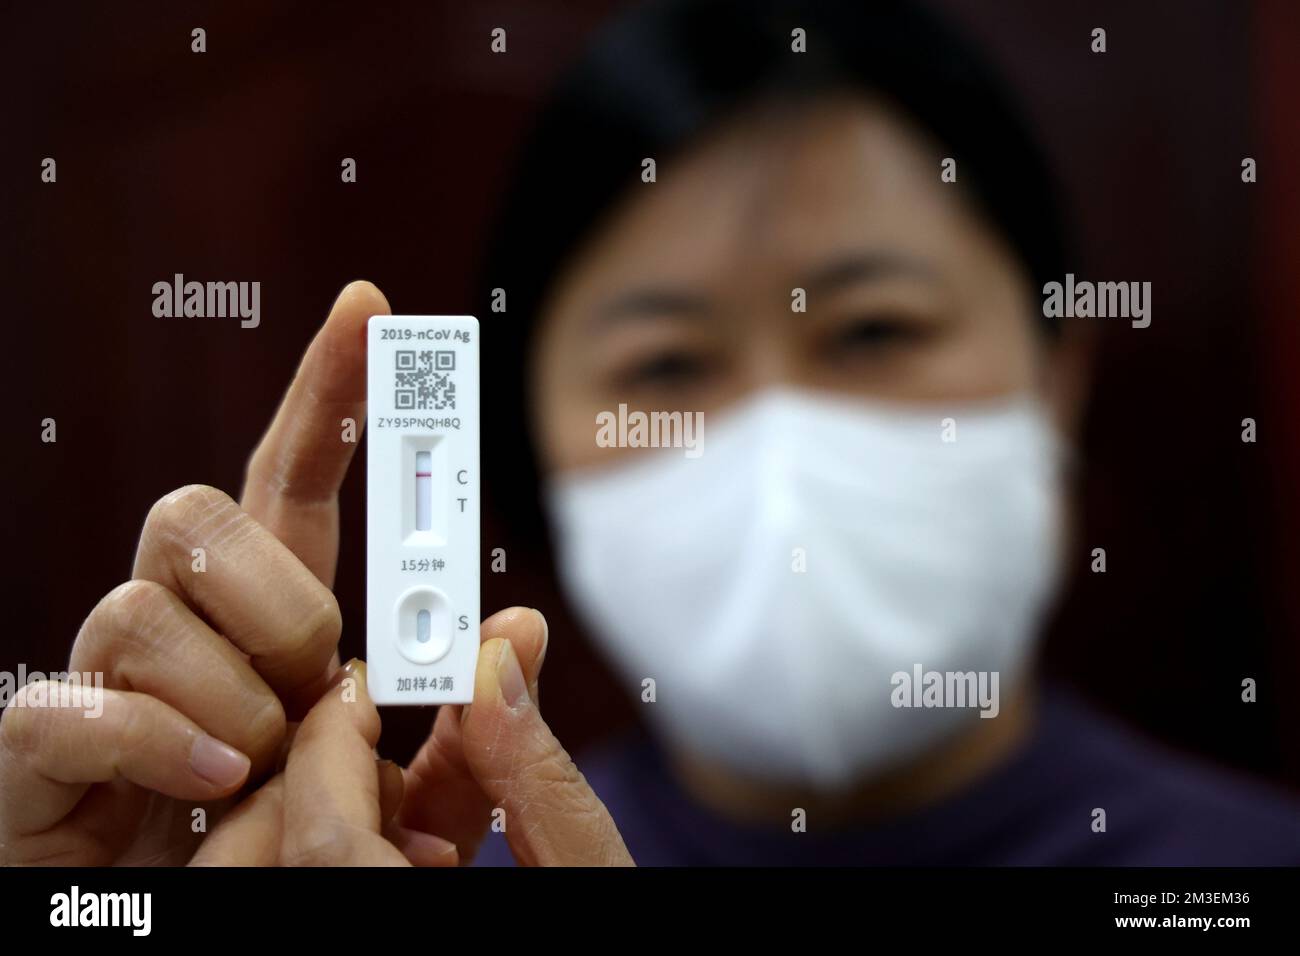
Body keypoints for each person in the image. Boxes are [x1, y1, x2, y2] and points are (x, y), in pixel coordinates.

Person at [1, 0, 1296, 866]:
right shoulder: (404, 858)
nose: (781, 442)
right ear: (533, 441)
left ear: (1060, 365)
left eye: (875, 331)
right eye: (667, 363)